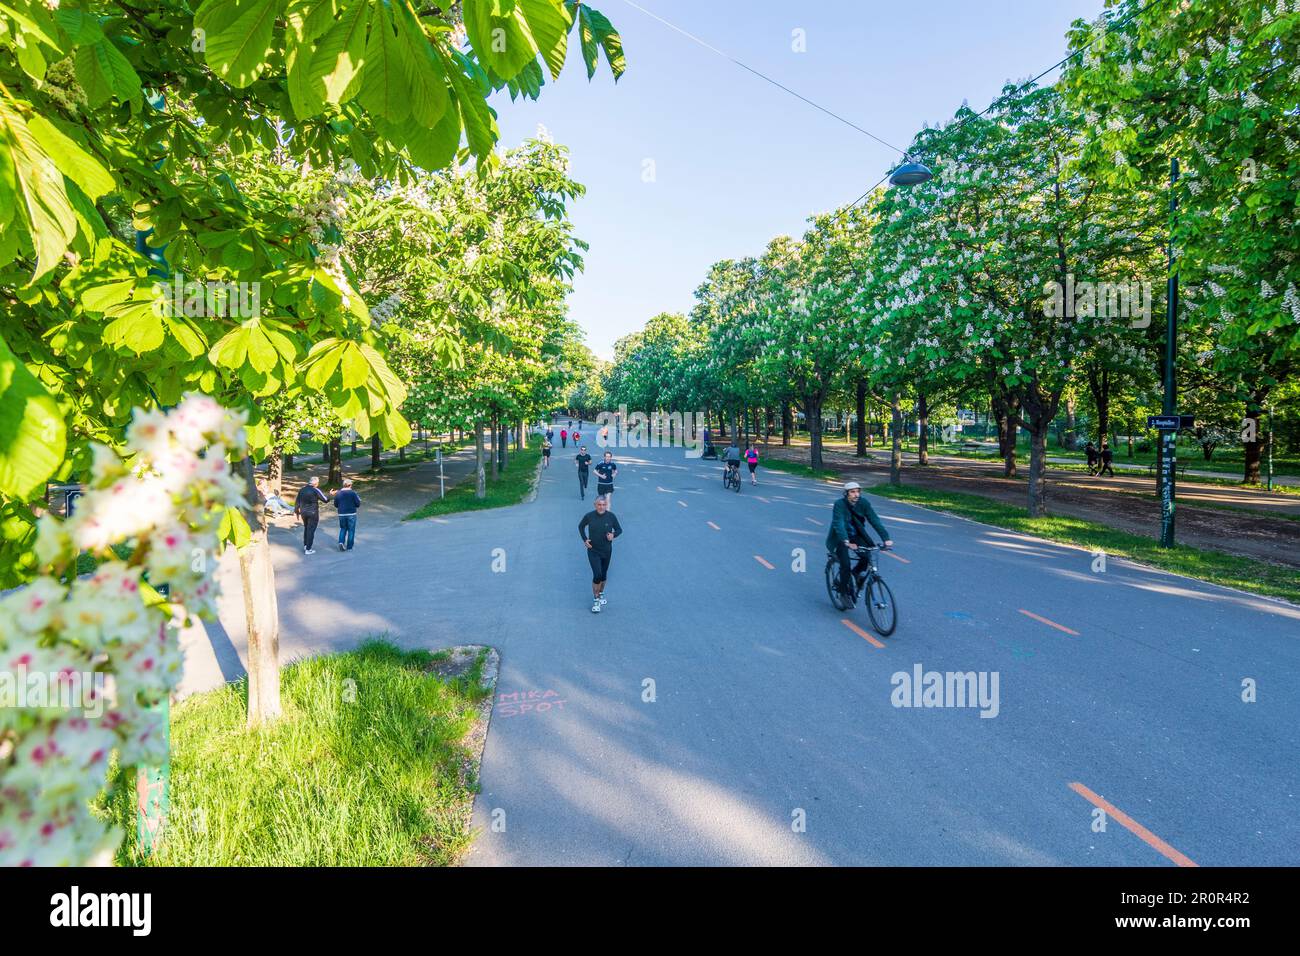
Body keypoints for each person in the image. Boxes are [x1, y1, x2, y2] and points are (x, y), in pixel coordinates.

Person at [827, 481, 893, 598]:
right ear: (846, 493)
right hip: (840, 537)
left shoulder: (863, 503)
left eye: (858, 492)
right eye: (852, 492)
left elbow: (874, 520)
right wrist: (846, 541)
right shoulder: (839, 504)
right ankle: (843, 593)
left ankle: (856, 572)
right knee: (845, 565)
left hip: (856, 535)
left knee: (868, 555)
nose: (856, 494)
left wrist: (886, 538)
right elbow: (839, 524)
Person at [578, 495, 622, 613]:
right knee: (597, 574)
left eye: (603, 505)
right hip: (593, 550)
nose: (601, 507)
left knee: (603, 575)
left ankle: (601, 593)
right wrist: (585, 539)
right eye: (599, 505)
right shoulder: (589, 516)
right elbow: (581, 526)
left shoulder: (611, 517)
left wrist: (613, 535)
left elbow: (619, 529)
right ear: (595, 505)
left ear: (606, 505)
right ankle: (596, 600)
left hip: (607, 550)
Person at [294, 476, 329, 554]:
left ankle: (306, 545)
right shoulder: (315, 490)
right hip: (313, 513)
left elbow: (297, 502)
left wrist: (296, 511)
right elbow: (325, 500)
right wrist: (330, 495)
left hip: (303, 512)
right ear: (316, 483)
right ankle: (308, 549)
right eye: (318, 483)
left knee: (306, 528)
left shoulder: (302, 490)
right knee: (311, 530)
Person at [332, 478, 361, 551]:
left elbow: (335, 504)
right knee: (351, 530)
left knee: (343, 528)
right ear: (350, 485)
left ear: (343, 485)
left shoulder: (338, 493)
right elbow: (358, 504)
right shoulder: (353, 493)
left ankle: (341, 542)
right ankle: (349, 547)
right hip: (351, 513)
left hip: (341, 514)